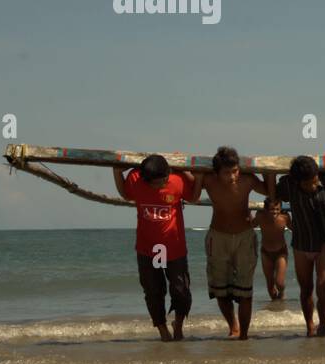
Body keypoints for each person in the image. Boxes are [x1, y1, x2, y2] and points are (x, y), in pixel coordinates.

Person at [113, 155, 198, 342]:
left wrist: (188, 172)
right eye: (156, 183)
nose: (161, 185)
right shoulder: (136, 179)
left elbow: (194, 196)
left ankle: (178, 324)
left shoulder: (176, 180)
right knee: (153, 290)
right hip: (148, 249)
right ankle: (163, 331)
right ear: (145, 179)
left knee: (181, 290)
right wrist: (116, 172)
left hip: (174, 249)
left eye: (163, 181)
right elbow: (125, 194)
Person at [267, 156, 325, 336]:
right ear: (298, 181)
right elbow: (273, 195)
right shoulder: (289, 185)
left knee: (323, 286)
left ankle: (323, 324)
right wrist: (272, 176)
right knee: (306, 289)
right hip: (302, 242)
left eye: (314, 182)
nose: (312, 187)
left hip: (323, 242)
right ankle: (309, 325)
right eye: (308, 184)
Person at [191, 146, 267, 340]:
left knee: (245, 290)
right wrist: (197, 175)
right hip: (218, 236)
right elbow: (193, 197)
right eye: (227, 173)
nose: (232, 177)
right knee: (220, 289)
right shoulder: (209, 180)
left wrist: (268, 173)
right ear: (217, 172)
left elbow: (270, 193)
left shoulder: (247, 180)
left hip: (244, 236)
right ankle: (233, 327)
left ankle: (244, 335)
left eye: (235, 171)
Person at [253, 197, 291, 301]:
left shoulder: (285, 217)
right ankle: (275, 307)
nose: (274, 212)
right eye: (271, 209)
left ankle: (282, 294)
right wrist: (246, 213)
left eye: (277, 209)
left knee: (279, 283)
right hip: (266, 252)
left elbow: (294, 228)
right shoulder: (260, 216)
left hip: (281, 252)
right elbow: (251, 224)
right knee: (270, 285)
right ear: (265, 209)